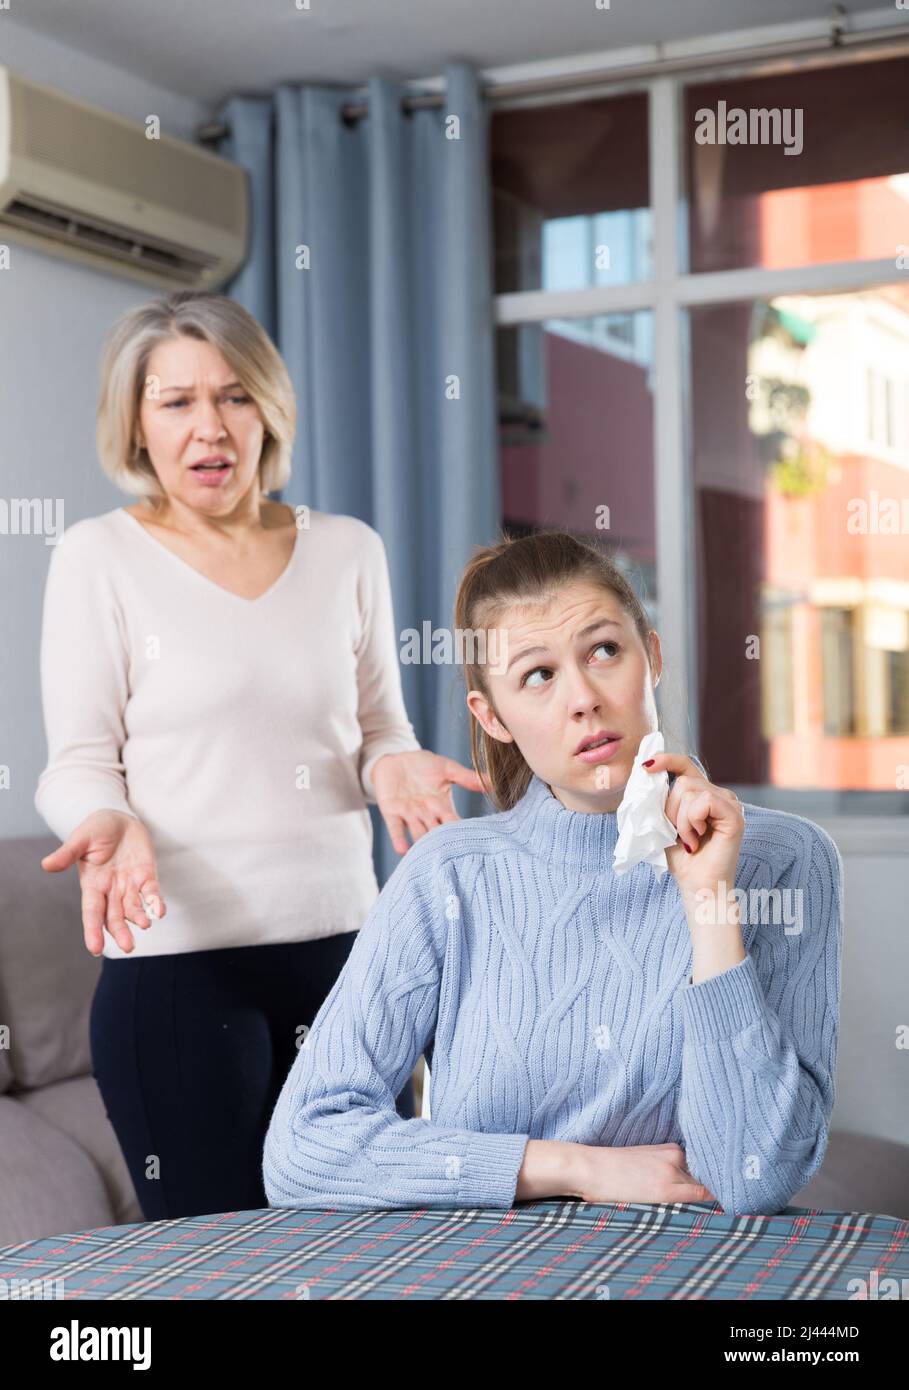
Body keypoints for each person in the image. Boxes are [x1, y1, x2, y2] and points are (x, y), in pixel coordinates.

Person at [34, 289, 483, 1222]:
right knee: (222, 1270)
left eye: (235, 395)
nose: (211, 426)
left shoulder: (347, 550)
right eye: (177, 400)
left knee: (372, 1253)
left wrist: (391, 766)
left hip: (351, 961)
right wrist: (104, 819)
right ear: (137, 422)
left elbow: (376, 732)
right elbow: (76, 761)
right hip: (179, 974)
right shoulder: (98, 557)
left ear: (269, 409)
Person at [262, 529, 844, 1217]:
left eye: (604, 651)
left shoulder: (782, 860)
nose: (583, 698)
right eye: (537, 675)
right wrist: (573, 1169)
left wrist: (708, 902)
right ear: (493, 716)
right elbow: (302, 1151)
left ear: (650, 656)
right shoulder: (446, 879)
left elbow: (752, 1178)